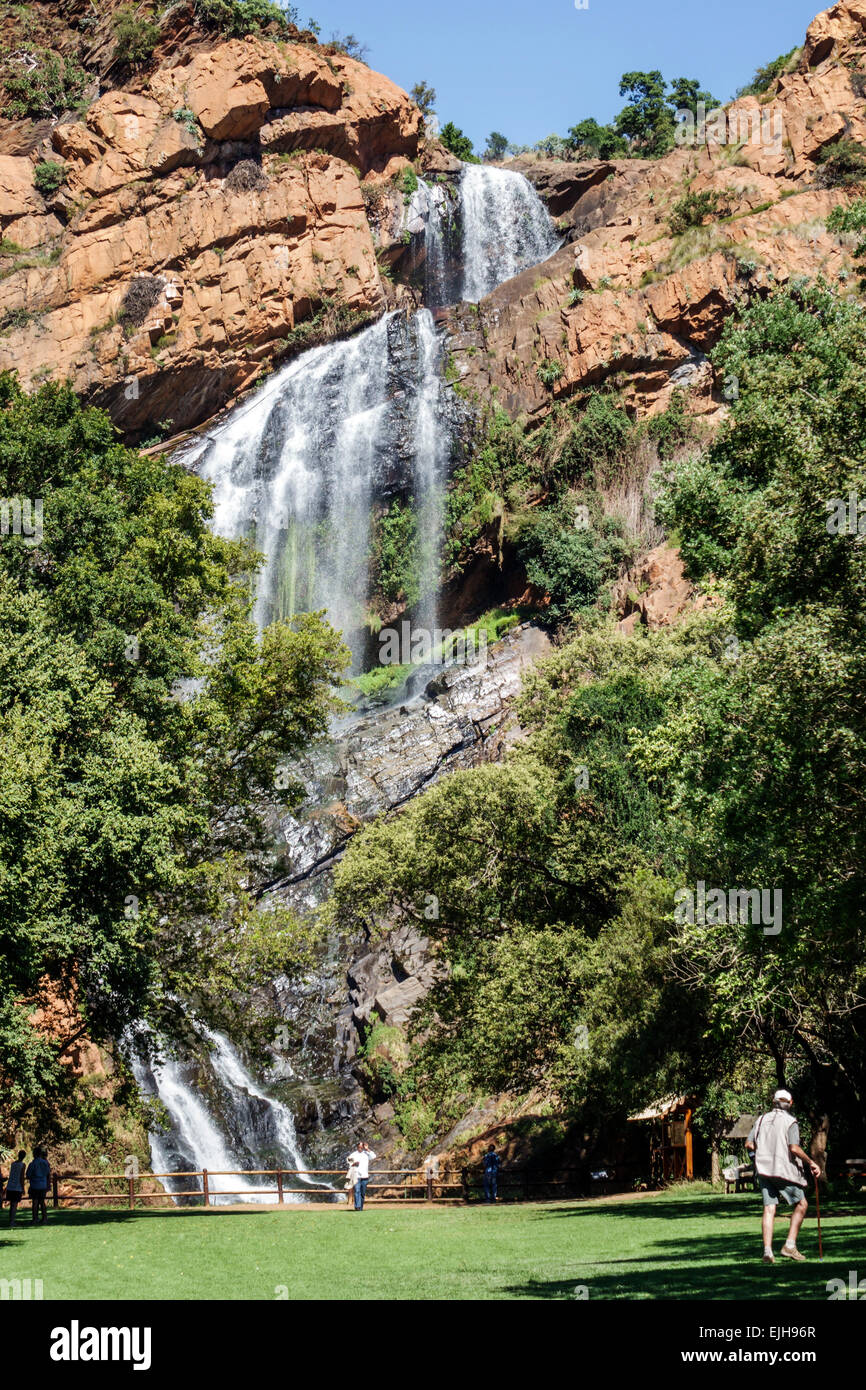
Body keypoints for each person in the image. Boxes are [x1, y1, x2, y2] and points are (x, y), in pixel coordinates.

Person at [745, 1089, 821, 1264]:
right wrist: (811, 1162)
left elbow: (749, 1144)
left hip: (763, 1169)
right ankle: (789, 1245)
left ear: (773, 1102)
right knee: (802, 1204)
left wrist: (763, 1152)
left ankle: (767, 1252)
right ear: (790, 1103)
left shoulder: (761, 1119)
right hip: (782, 1170)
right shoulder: (790, 1122)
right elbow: (793, 1148)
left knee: (769, 1208)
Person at [345, 1140, 376, 1211]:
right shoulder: (354, 1154)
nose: (360, 1148)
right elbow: (348, 1160)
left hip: (365, 1176)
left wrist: (367, 1149)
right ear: (357, 1147)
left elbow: (374, 1156)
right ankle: (357, 1206)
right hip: (356, 1175)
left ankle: (360, 1207)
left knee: (362, 1193)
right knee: (357, 1191)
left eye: (362, 1147)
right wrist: (353, 1163)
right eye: (359, 1147)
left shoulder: (366, 1153)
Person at [27, 1147, 51, 1225]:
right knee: (42, 1202)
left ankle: (35, 1219)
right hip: (43, 1185)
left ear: (34, 1154)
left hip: (35, 1185)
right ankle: (45, 1219)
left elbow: (28, 1174)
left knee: (35, 1202)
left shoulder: (32, 1163)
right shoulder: (44, 1163)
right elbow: (47, 1172)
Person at [5, 1150, 26, 1228]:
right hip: (17, 1187)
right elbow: (21, 1177)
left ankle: (11, 1220)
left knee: (11, 1205)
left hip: (10, 1186)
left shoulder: (13, 1164)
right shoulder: (22, 1165)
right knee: (14, 1205)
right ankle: (12, 1222)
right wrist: (23, 1188)